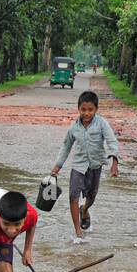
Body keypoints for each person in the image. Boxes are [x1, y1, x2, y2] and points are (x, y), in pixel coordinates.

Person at [50, 91, 119, 243]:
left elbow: (112, 141)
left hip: (95, 165)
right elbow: (66, 147)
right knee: (73, 195)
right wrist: (57, 167)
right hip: (78, 166)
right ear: (78, 109)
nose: (86, 113)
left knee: (92, 196)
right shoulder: (74, 128)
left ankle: (85, 210)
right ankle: (77, 230)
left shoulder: (102, 124)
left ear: (96, 109)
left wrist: (114, 162)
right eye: (83, 110)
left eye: (90, 110)